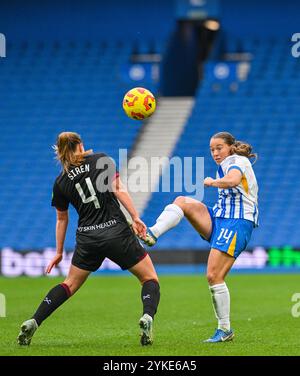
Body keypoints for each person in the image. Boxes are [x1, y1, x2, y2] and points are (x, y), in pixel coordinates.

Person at [17, 132, 160, 346]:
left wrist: (58, 252)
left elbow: (61, 219)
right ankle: (147, 316)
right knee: (149, 279)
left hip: (88, 237)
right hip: (116, 232)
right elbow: (118, 189)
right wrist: (135, 217)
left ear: (60, 151)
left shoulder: (60, 181)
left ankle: (34, 321)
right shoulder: (101, 159)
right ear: (81, 145)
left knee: (70, 284)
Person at [139, 132, 258, 343]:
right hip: (220, 217)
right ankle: (152, 233)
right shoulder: (228, 161)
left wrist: (213, 182)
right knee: (182, 201)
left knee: (214, 275)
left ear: (230, 147)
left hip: (237, 221)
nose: (215, 153)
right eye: (212, 149)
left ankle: (225, 329)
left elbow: (232, 180)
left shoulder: (237, 161)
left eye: (219, 147)